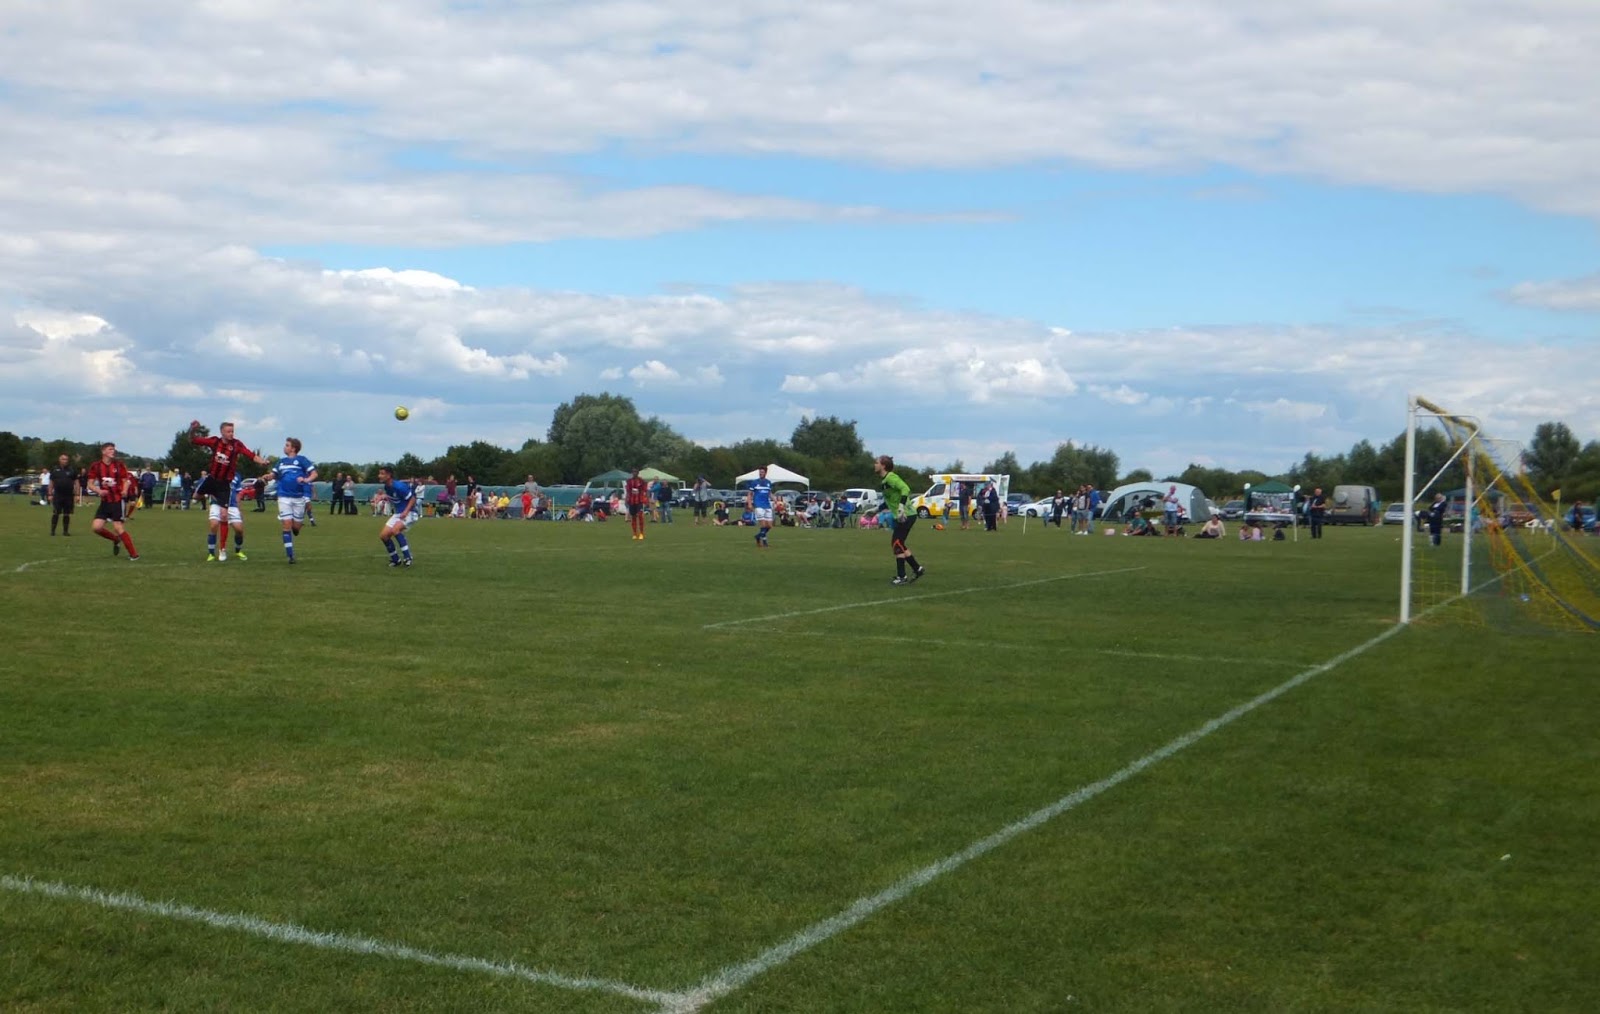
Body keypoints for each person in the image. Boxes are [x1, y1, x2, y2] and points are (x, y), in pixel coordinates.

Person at [189, 419, 270, 558]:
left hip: (224, 485)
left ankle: (223, 550)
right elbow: (194, 440)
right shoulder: (215, 442)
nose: (231, 434)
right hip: (212, 480)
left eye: (232, 431)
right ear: (222, 432)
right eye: (228, 431)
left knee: (224, 516)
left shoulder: (237, 445)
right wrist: (192, 428)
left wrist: (262, 461)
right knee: (195, 498)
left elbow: (250, 455)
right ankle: (204, 495)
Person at [85, 442, 140, 560]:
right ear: (103, 451)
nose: (113, 451)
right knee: (96, 528)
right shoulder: (96, 466)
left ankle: (134, 555)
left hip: (117, 500)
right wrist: (99, 491)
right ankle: (115, 539)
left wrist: (125, 490)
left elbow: (126, 480)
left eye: (113, 449)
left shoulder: (119, 465)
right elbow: (89, 484)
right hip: (105, 501)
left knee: (118, 527)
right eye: (110, 449)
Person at [876, 455, 925, 585]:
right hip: (903, 515)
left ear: (883, 466)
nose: (874, 465)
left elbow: (906, 489)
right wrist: (875, 510)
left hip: (906, 514)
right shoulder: (885, 481)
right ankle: (916, 569)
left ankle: (903, 576)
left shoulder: (891, 477)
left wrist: (901, 507)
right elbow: (890, 501)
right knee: (899, 544)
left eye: (877, 463)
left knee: (897, 543)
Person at [271, 437, 317, 564]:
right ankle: (290, 555)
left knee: (296, 526)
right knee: (286, 525)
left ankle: (296, 528)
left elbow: (314, 474)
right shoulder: (281, 462)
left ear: (293, 448)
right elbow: (273, 475)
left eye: (287, 445)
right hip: (284, 496)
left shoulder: (302, 460)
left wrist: (306, 480)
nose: (284, 447)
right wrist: (267, 476)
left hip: (298, 498)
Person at [377, 466, 418, 567]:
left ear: (389, 475)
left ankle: (408, 557)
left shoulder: (399, 486)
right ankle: (396, 560)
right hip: (398, 513)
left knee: (395, 530)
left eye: (382, 473)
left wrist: (406, 511)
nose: (379, 476)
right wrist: (385, 497)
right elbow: (396, 498)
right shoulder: (387, 487)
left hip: (410, 512)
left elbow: (413, 499)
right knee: (384, 536)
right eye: (379, 473)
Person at [48, 453, 78, 536]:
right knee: (56, 512)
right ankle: (53, 531)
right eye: (63, 459)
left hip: (68, 495)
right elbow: (51, 483)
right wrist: (50, 494)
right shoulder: (54, 470)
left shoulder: (72, 470)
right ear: (59, 460)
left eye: (66, 459)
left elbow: (76, 482)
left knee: (66, 514)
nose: (65, 461)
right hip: (58, 495)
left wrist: (77, 494)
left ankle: (65, 531)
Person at [746, 465, 775, 548]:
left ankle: (758, 536)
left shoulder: (768, 482)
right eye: (760, 472)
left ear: (765, 473)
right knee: (763, 524)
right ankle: (765, 542)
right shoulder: (754, 482)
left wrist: (775, 500)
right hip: (758, 504)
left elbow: (769, 493)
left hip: (767, 505)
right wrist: (749, 503)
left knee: (769, 525)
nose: (760, 473)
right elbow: (750, 494)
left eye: (762, 472)